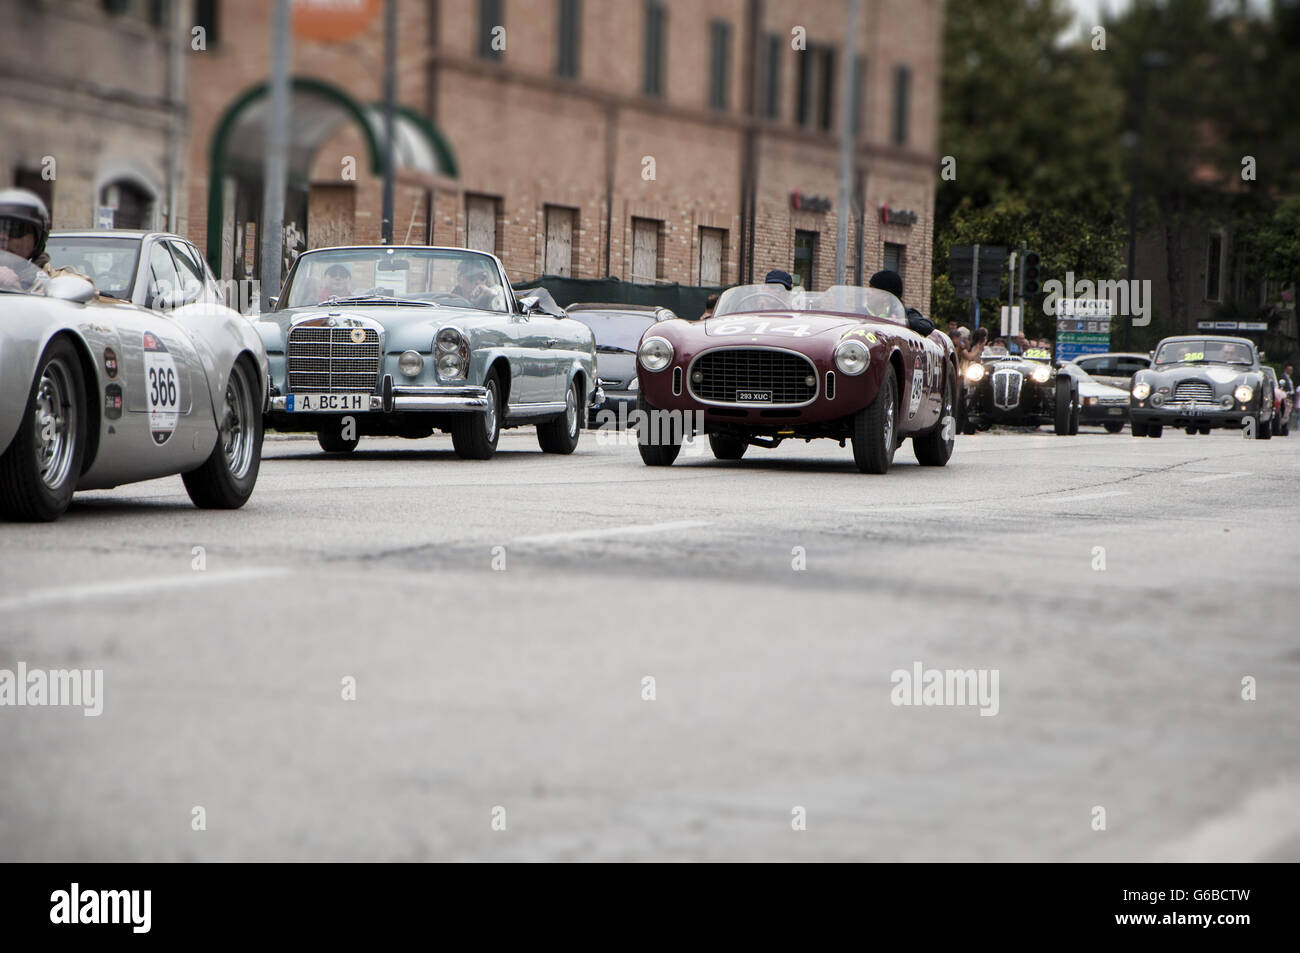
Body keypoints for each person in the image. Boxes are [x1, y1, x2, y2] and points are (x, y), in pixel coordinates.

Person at [0, 188, 52, 291]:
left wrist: (17, 291)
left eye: (14, 229)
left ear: (37, 239)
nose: (2, 236)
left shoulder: (56, 281)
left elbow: (89, 299)